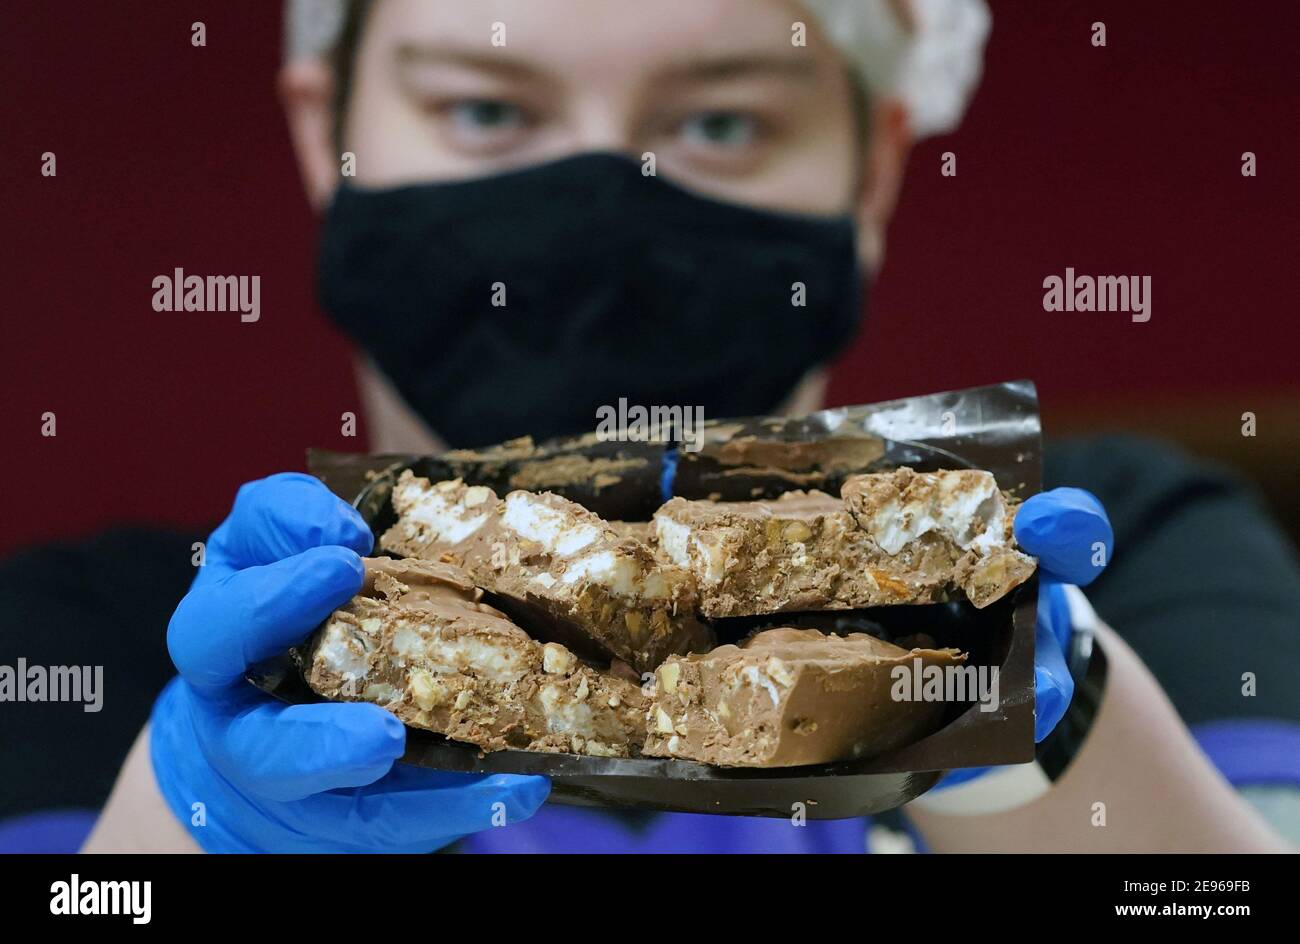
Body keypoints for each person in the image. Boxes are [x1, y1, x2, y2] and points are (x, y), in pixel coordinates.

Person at [4, 0, 1296, 854]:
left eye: (721, 122)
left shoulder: (1141, 545)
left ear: (875, 169)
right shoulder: (84, 635)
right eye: (486, 110)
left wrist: (1041, 726)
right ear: (325, 138)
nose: (597, 205)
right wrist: (186, 823)